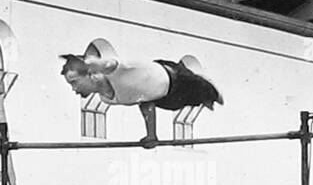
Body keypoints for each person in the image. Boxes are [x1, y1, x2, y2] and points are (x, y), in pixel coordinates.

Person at [59, 52, 223, 147]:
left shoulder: (115, 71)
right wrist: (151, 135)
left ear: (90, 74)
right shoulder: (106, 98)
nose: (74, 89)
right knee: (179, 104)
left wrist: (93, 64)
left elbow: (109, 64)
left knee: (210, 95)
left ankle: (205, 84)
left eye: (74, 82)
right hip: (164, 98)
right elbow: (143, 98)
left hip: (176, 78)